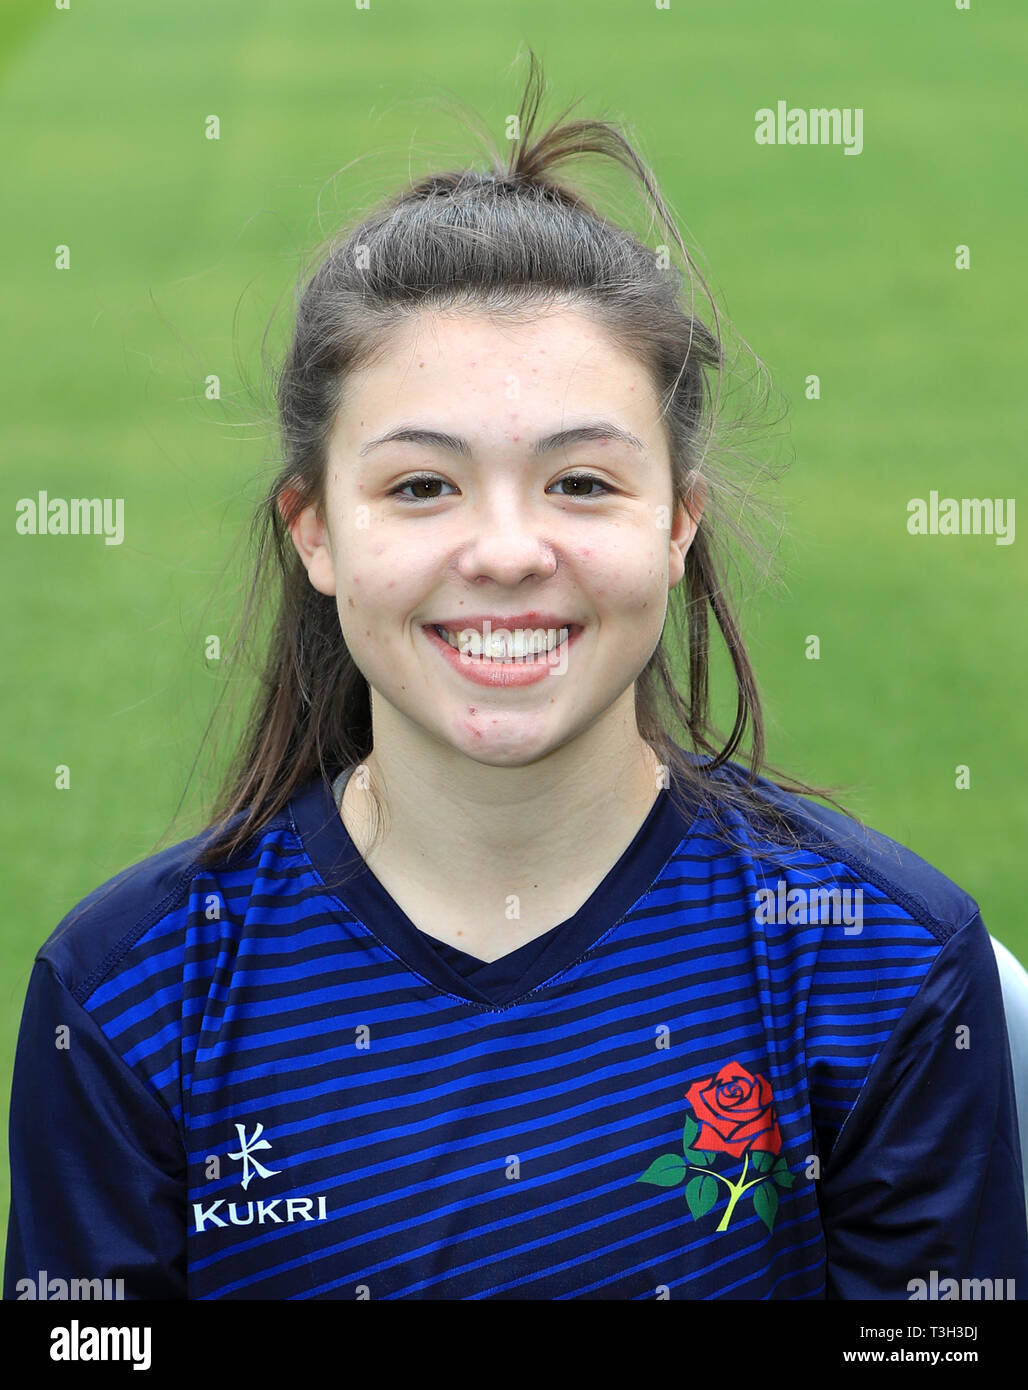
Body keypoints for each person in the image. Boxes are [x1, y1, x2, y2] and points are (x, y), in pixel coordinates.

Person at [5, 53, 1027, 1302]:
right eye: (420, 485)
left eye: (580, 482)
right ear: (314, 529)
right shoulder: (127, 994)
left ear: (675, 524)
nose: (504, 550)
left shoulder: (878, 963)